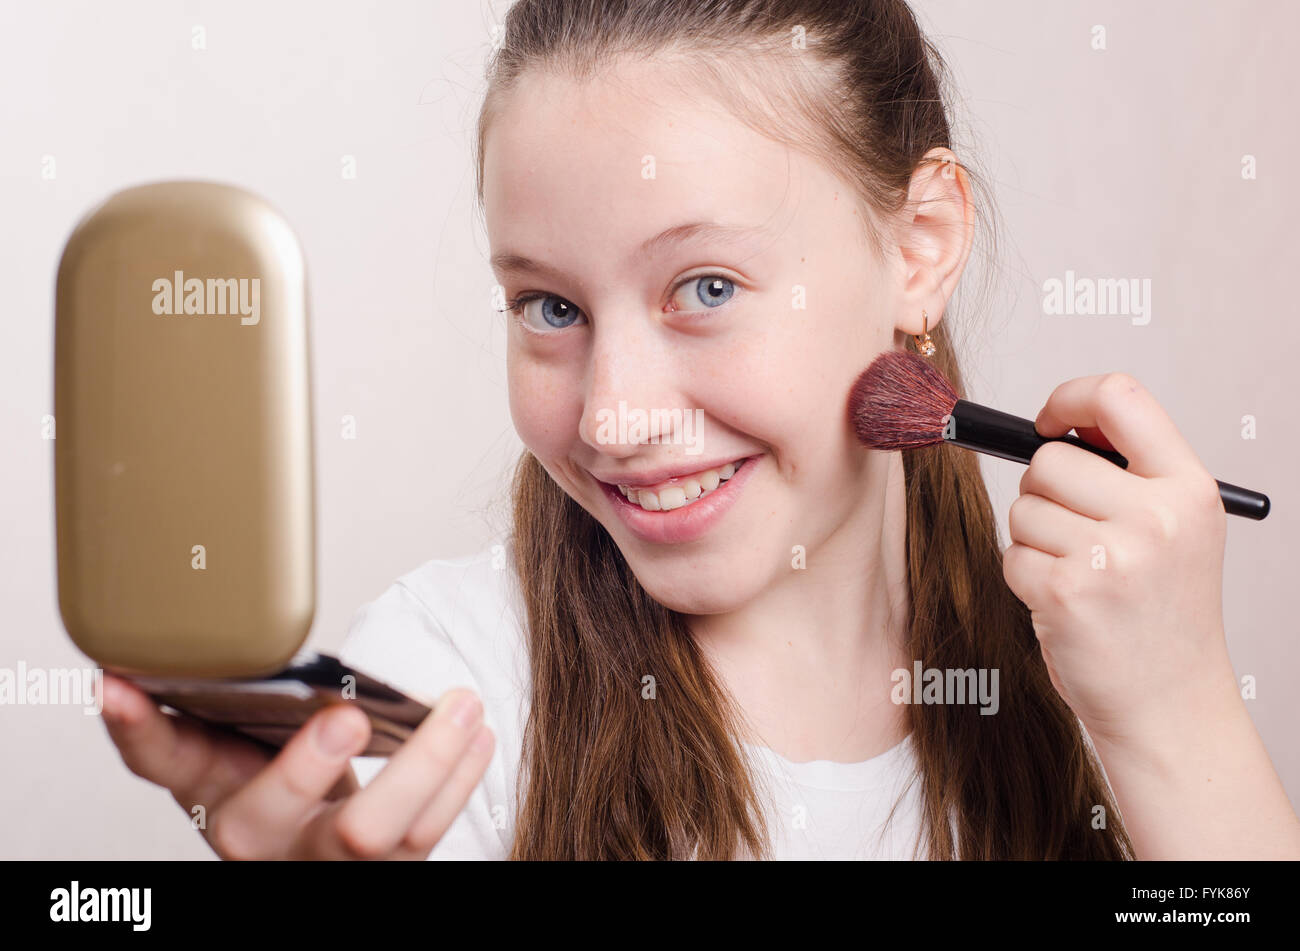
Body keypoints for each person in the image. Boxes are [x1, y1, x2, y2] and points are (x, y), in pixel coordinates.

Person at [98, 0, 1300, 860]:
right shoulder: (446, 692)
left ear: (918, 246)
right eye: (551, 307)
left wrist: (1173, 711)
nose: (615, 416)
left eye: (706, 288)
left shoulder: (1098, 675)